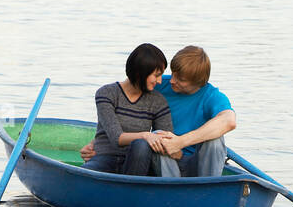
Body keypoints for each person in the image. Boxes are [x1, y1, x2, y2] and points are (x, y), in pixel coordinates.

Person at [80, 43, 178, 176]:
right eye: (156, 75)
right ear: (140, 73)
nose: (160, 81)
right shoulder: (106, 93)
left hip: (139, 161)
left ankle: (132, 186)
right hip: (105, 158)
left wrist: (158, 140)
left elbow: (167, 140)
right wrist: (145, 135)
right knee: (83, 173)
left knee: (141, 145)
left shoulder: (158, 101)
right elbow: (116, 138)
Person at [155, 46, 237, 177]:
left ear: (199, 82)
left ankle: (208, 186)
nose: (172, 81)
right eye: (172, 74)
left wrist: (180, 142)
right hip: (166, 159)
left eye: (180, 79)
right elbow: (129, 87)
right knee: (158, 136)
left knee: (215, 141)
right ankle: (172, 186)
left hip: (197, 162)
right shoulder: (160, 84)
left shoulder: (211, 95)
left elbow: (229, 121)